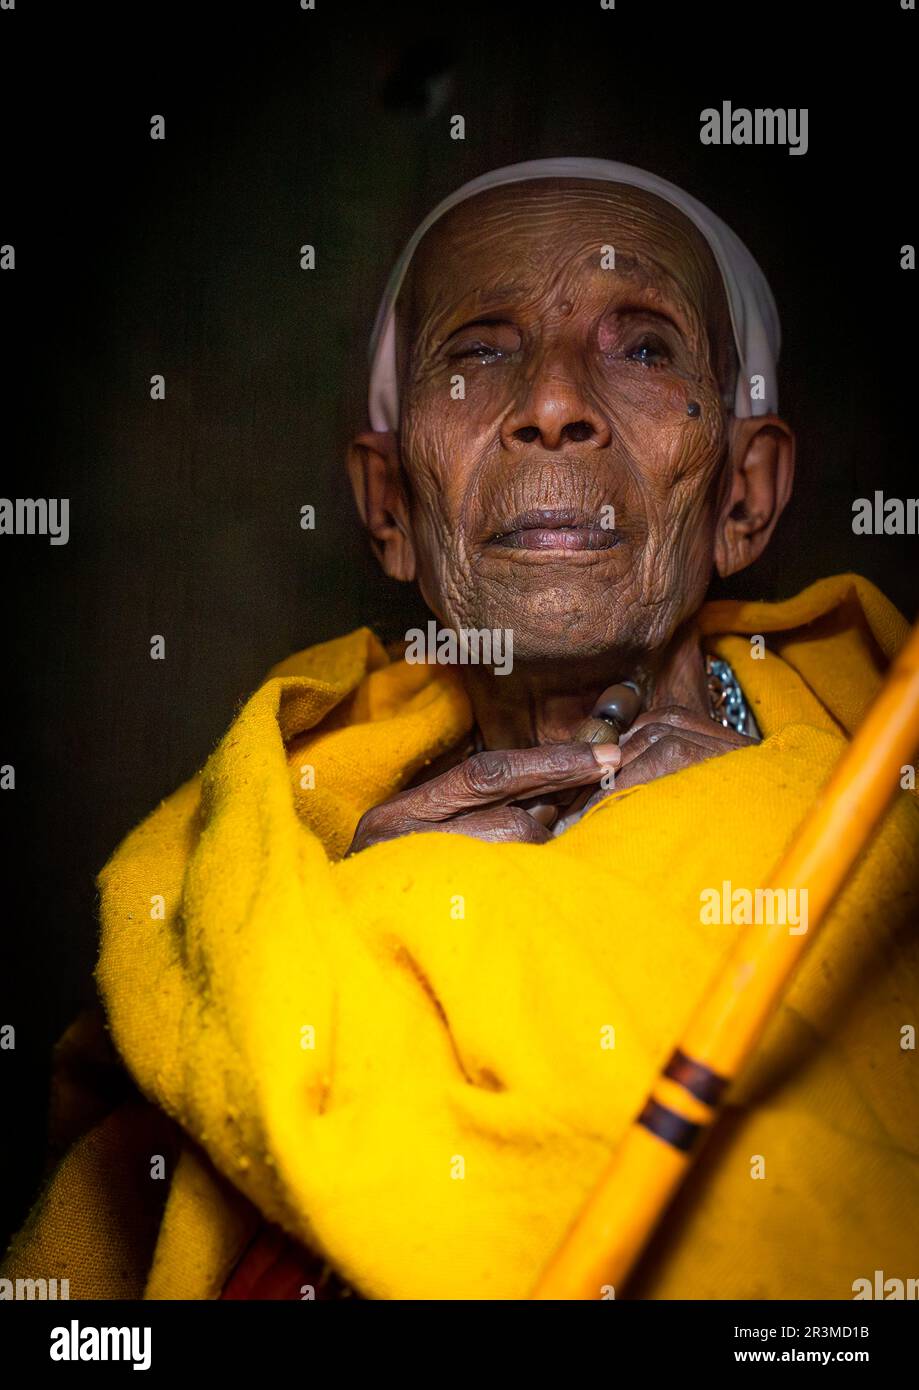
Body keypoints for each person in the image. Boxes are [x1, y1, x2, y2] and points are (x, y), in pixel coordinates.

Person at [3, 160, 917, 1302]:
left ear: (744, 494)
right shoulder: (275, 863)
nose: (549, 401)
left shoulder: (875, 835)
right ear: (389, 508)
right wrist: (358, 933)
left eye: (643, 348)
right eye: (478, 350)